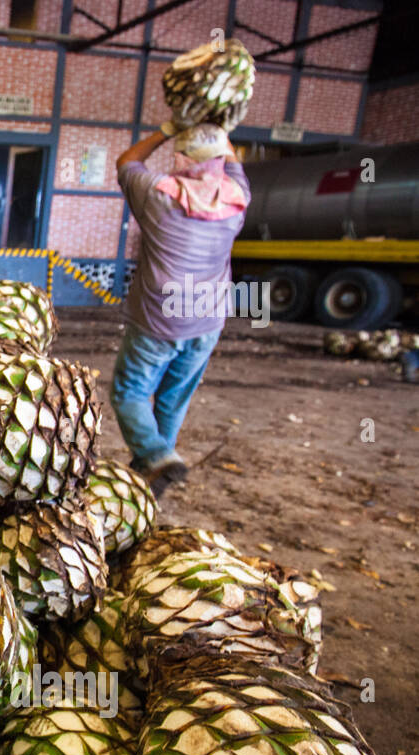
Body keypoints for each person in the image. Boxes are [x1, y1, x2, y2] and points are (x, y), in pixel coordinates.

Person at [112, 121, 250, 496]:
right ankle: (152, 472)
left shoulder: (159, 196)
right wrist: (220, 127)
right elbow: (230, 161)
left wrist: (167, 128)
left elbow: (127, 162)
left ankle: (156, 456)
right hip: (208, 320)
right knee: (173, 399)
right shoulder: (237, 198)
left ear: (183, 158)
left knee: (129, 392)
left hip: (160, 319)